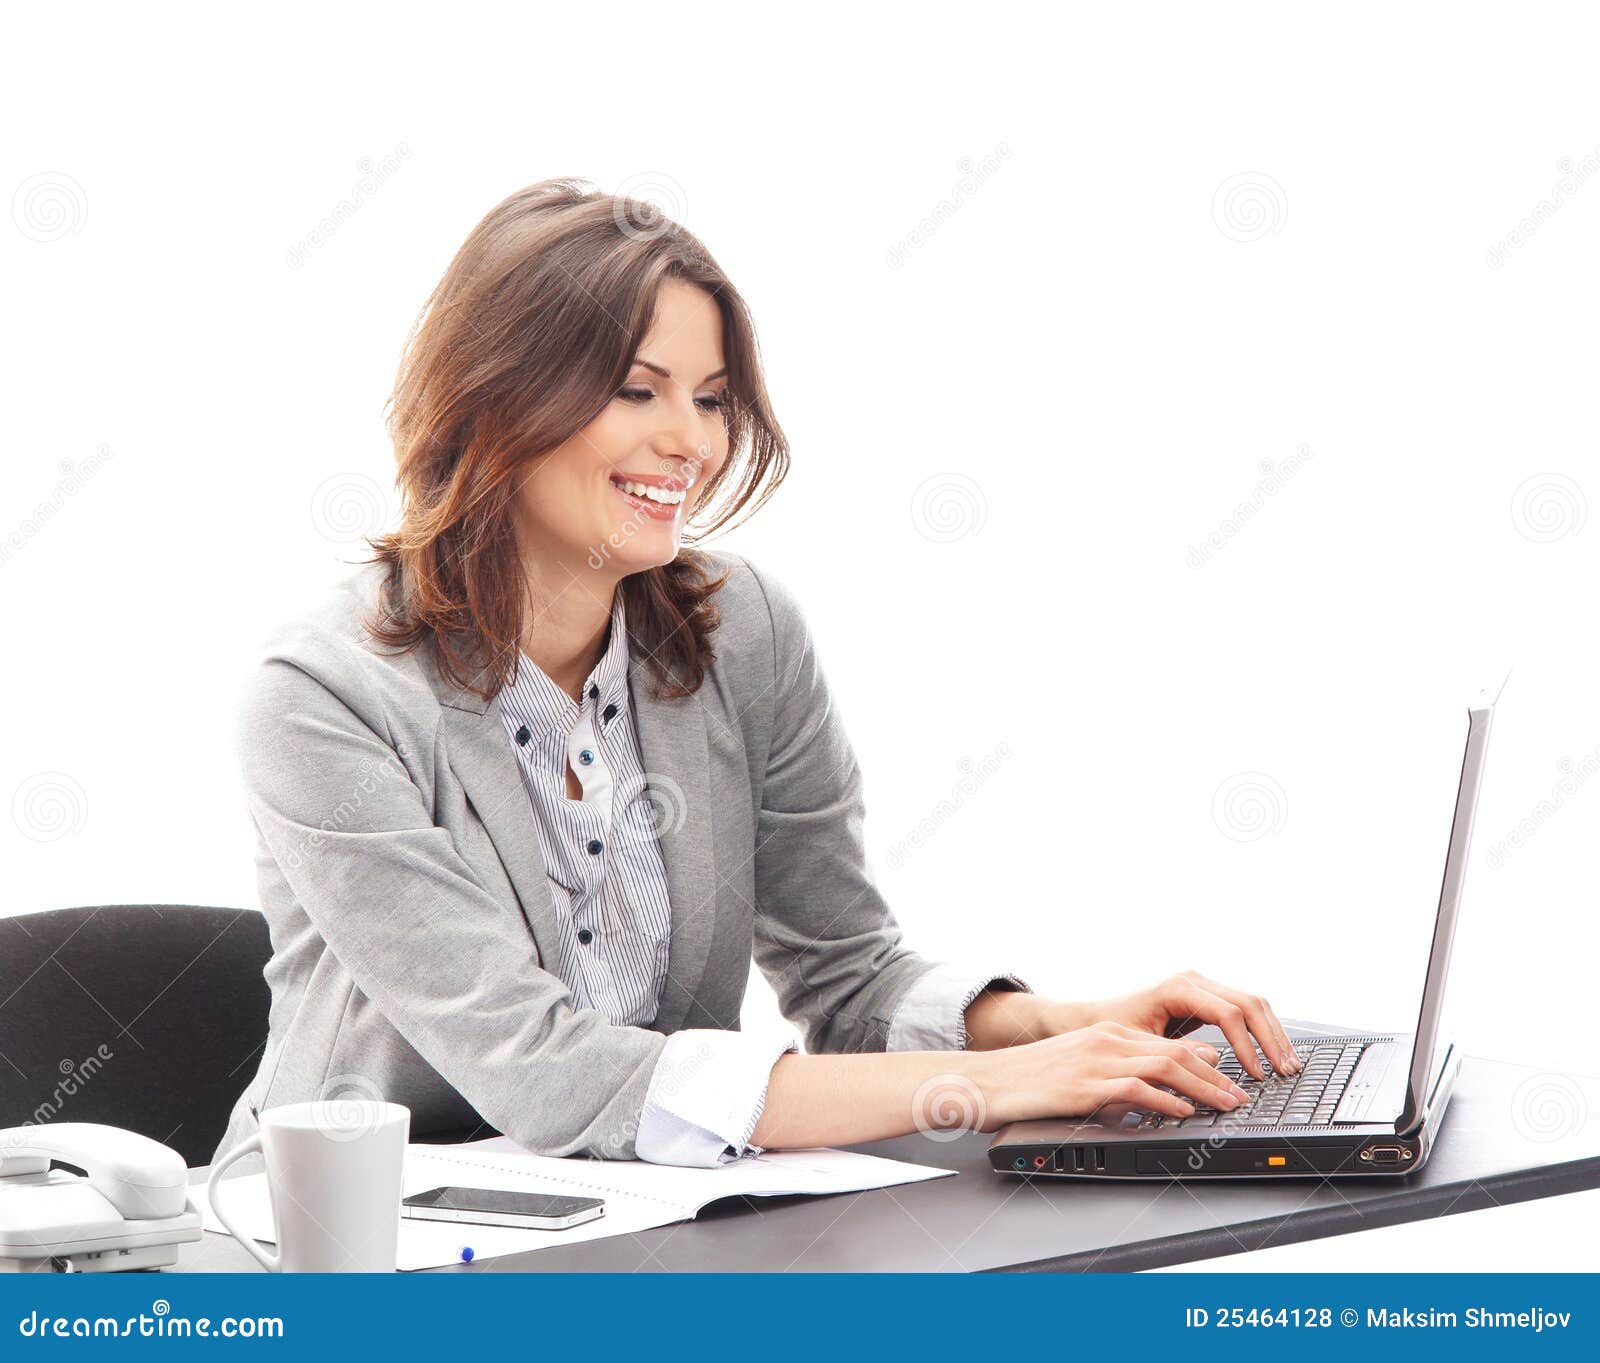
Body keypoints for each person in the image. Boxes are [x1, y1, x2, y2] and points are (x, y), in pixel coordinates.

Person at [215, 178, 1298, 1169]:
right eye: (638, 391)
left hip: (649, 1219)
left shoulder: (743, 633)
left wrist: (1072, 1028)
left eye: (713, 398)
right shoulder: (324, 696)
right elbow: (547, 1072)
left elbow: (847, 977)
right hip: (351, 1237)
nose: (689, 440)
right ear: (498, 398)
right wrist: (995, 1083)